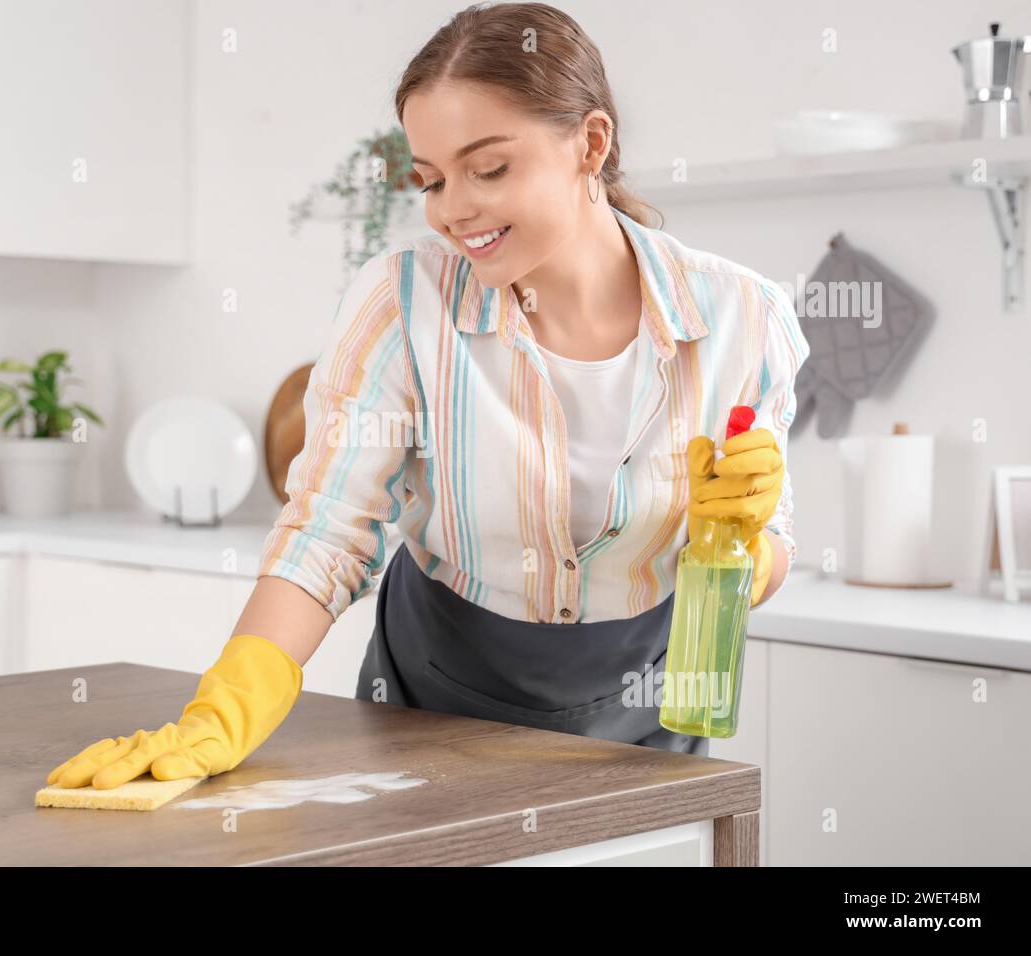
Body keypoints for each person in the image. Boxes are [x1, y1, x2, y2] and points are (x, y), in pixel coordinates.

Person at [47, 1, 811, 791]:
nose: (452, 210)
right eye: (432, 180)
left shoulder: (741, 319)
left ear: (590, 144)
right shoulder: (404, 303)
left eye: (489, 169)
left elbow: (774, 531)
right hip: (429, 711)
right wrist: (227, 706)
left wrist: (749, 552)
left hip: (650, 716)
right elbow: (328, 530)